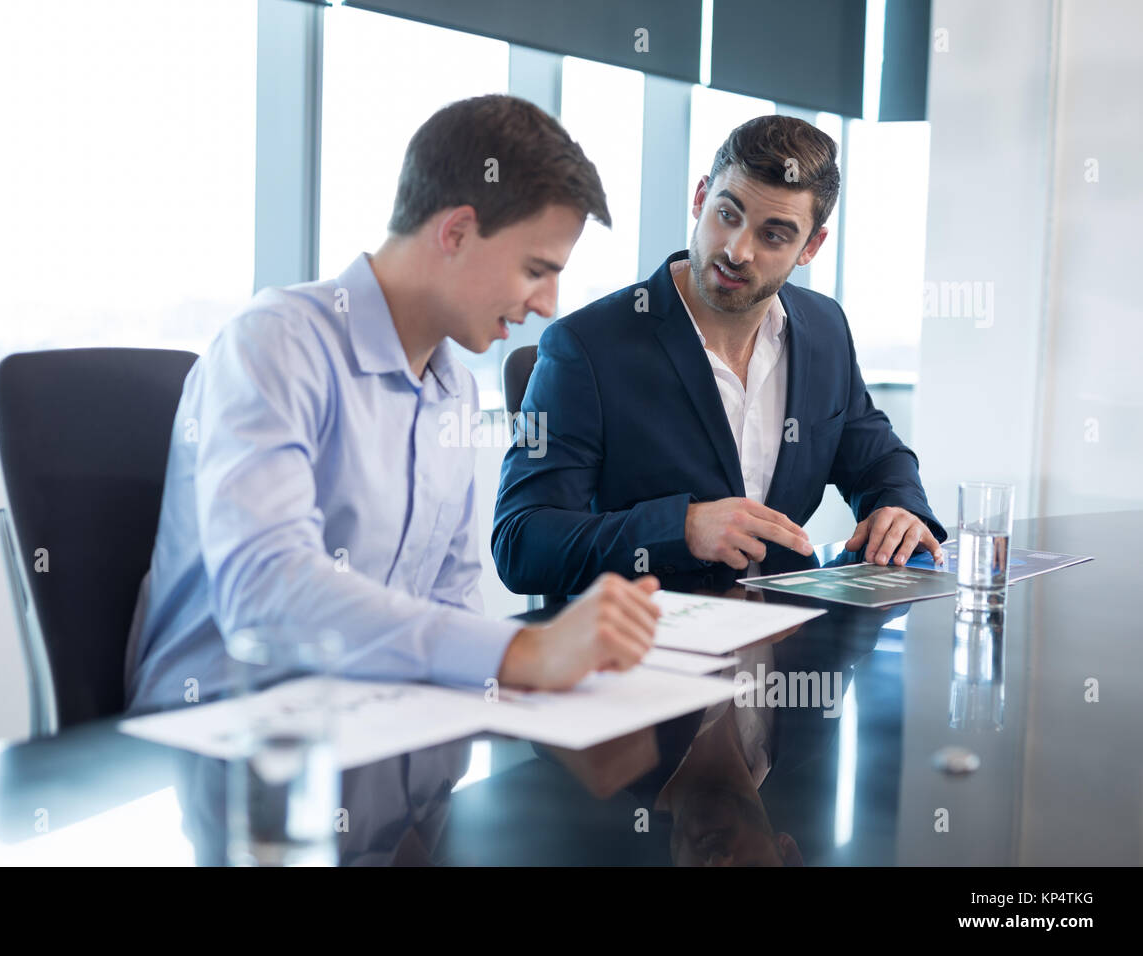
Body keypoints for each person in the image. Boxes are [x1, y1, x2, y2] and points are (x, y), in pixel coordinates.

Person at [125, 95, 661, 714]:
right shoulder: (276, 344)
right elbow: (264, 590)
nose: (547, 304)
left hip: (382, 724)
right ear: (457, 232)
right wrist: (520, 653)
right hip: (226, 734)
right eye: (536, 270)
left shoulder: (454, 390)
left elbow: (451, 596)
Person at [493, 114, 946, 598]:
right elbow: (522, 541)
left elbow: (877, 455)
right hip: (653, 649)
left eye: (773, 235)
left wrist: (900, 508)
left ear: (811, 246)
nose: (737, 251)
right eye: (727, 214)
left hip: (795, 640)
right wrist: (680, 529)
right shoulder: (584, 347)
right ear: (701, 197)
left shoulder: (824, 328)